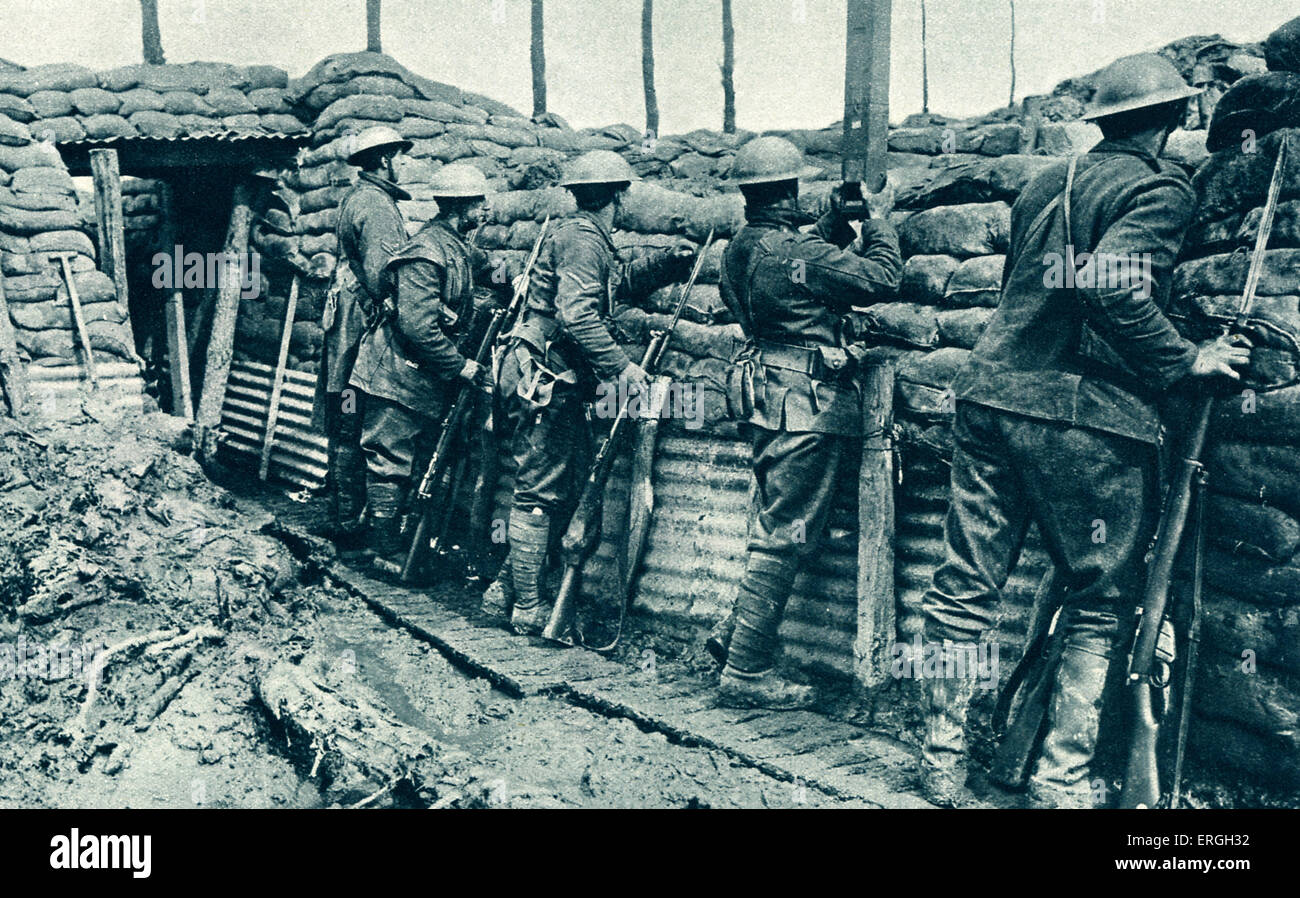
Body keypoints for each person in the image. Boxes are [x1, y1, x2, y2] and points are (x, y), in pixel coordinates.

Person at [916, 54, 1251, 808]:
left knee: (964, 587)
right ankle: (1060, 780)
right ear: (1174, 118)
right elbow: (1108, 282)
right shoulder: (1159, 188)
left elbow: (1024, 295)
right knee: (1101, 596)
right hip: (1083, 418)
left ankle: (938, 762)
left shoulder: (1047, 181)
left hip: (990, 395)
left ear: (1103, 120)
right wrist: (1184, 358)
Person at [711, 135, 901, 710]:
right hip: (805, 404)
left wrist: (827, 225)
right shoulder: (794, 254)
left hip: (766, 397)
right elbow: (881, 279)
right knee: (787, 532)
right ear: (788, 191)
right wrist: (879, 222)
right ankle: (745, 670)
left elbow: (799, 262)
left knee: (776, 521)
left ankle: (734, 633)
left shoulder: (742, 247)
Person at [490, 150, 694, 635]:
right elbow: (579, 314)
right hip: (545, 376)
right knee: (539, 492)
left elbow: (611, 286)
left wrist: (665, 264)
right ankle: (527, 611)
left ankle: (502, 593)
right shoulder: (582, 239)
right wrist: (622, 367)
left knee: (556, 488)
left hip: (550, 373)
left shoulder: (584, 237)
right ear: (618, 196)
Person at [348, 163, 496, 569]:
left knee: (415, 462)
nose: (485, 210)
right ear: (459, 205)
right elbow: (417, 327)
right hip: (396, 372)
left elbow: (485, 269)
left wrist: (514, 279)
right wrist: (460, 366)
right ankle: (383, 549)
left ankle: (402, 542)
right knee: (389, 460)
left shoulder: (458, 247)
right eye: (478, 202)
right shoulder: (427, 251)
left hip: (422, 376)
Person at [314, 125, 412, 547]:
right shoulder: (377, 206)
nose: (407, 164)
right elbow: (383, 274)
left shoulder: (358, 197)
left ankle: (343, 516)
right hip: (361, 332)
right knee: (355, 419)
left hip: (345, 328)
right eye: (401, 156)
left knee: (345, 418)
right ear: (385, 160)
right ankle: (353, 525)